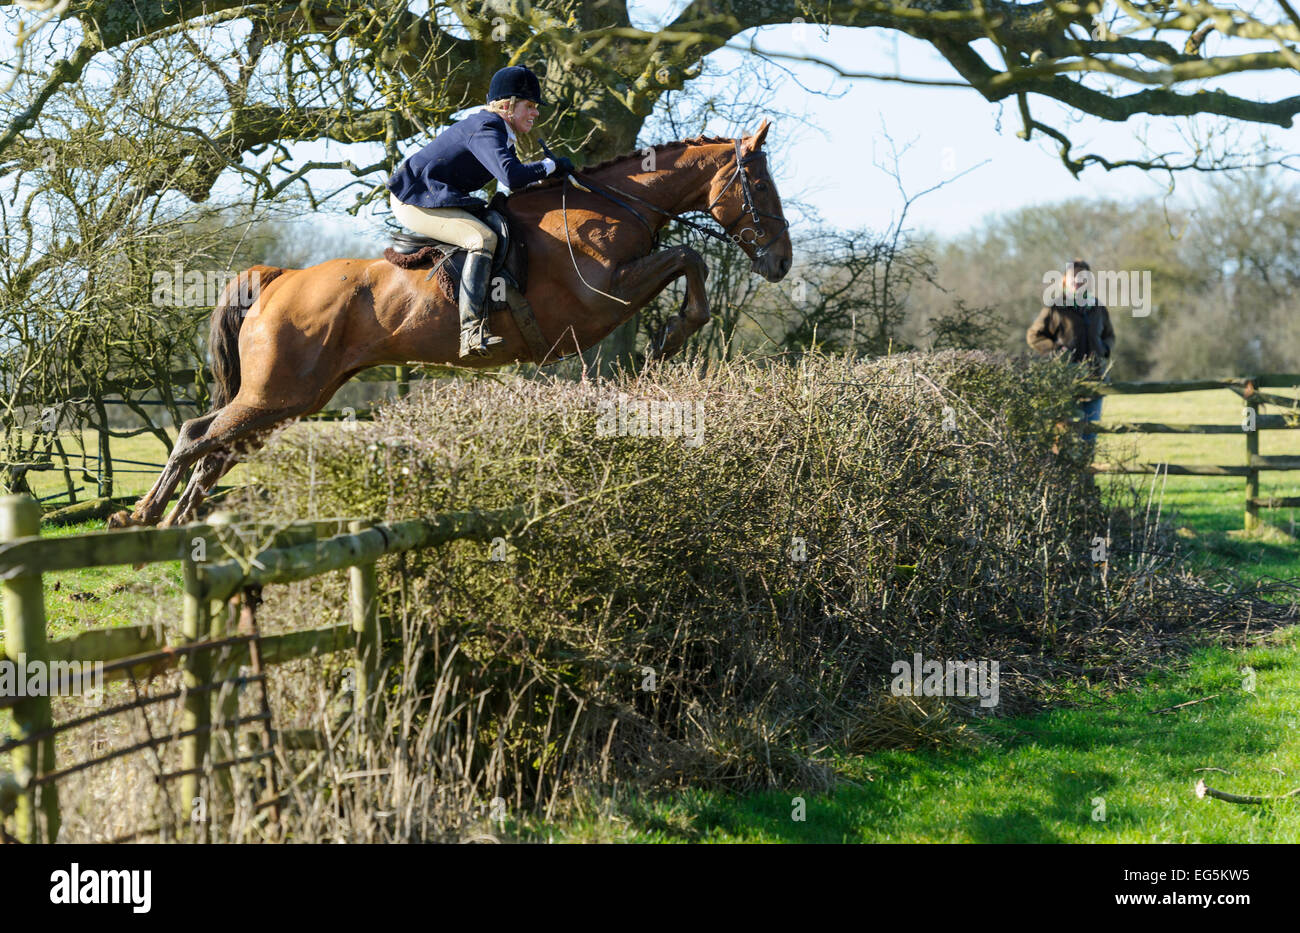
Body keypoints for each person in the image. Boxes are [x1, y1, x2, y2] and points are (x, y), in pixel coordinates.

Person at [387, 66, 575, 357]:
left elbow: (519, 182)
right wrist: (551, 166)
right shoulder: (487, 127)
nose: (535, 113)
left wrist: (550, 177)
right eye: (530, 106)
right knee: (482, 239)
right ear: (507, 105)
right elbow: (511, 177)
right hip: (412, 200)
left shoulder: (498, 131)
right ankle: (471, 332)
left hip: (436, 196)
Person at [1026, 259, 1116, 447]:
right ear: (1065, 280)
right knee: (1065, 436)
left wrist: (1103, 348)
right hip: (1065, 381)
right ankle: (1065, 475)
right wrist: (1057, 351)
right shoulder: (1056, 307)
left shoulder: (1098, 308)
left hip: (1095, 379)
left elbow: (1110, 336)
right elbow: (1034, 336)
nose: (1078, 279)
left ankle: (1086, 476)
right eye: (1073, 275)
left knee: (1089, 435)